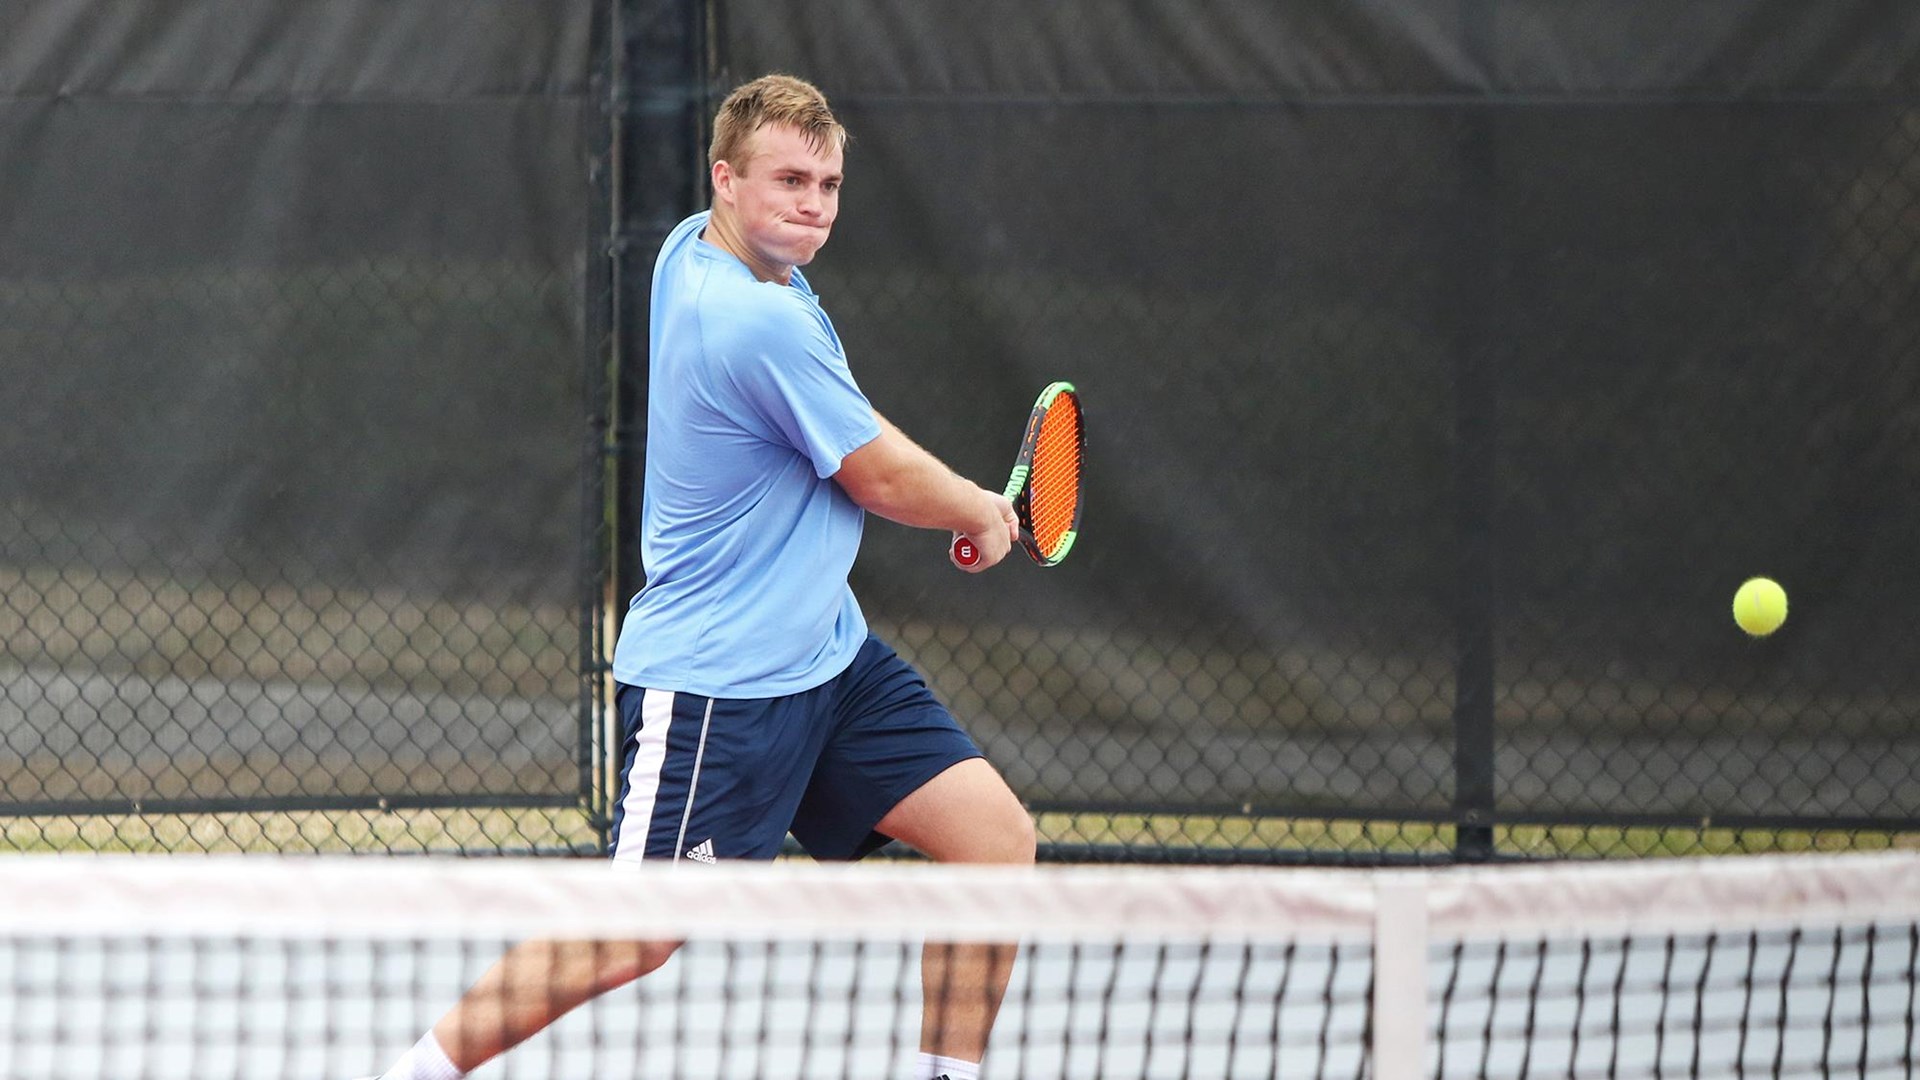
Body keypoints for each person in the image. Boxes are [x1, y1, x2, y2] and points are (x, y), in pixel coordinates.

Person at [362, 73, 1036, 1080]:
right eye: (788, 181)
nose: (812, 205)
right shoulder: (753, 318)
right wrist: (976, 509)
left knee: (994, 838)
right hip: (723, 685)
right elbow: (878, 475)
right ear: (726, 179)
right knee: (633, 934)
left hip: (829, 658)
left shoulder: (697, 249)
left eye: (828, 185)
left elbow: (844, 419)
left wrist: (964, 500)